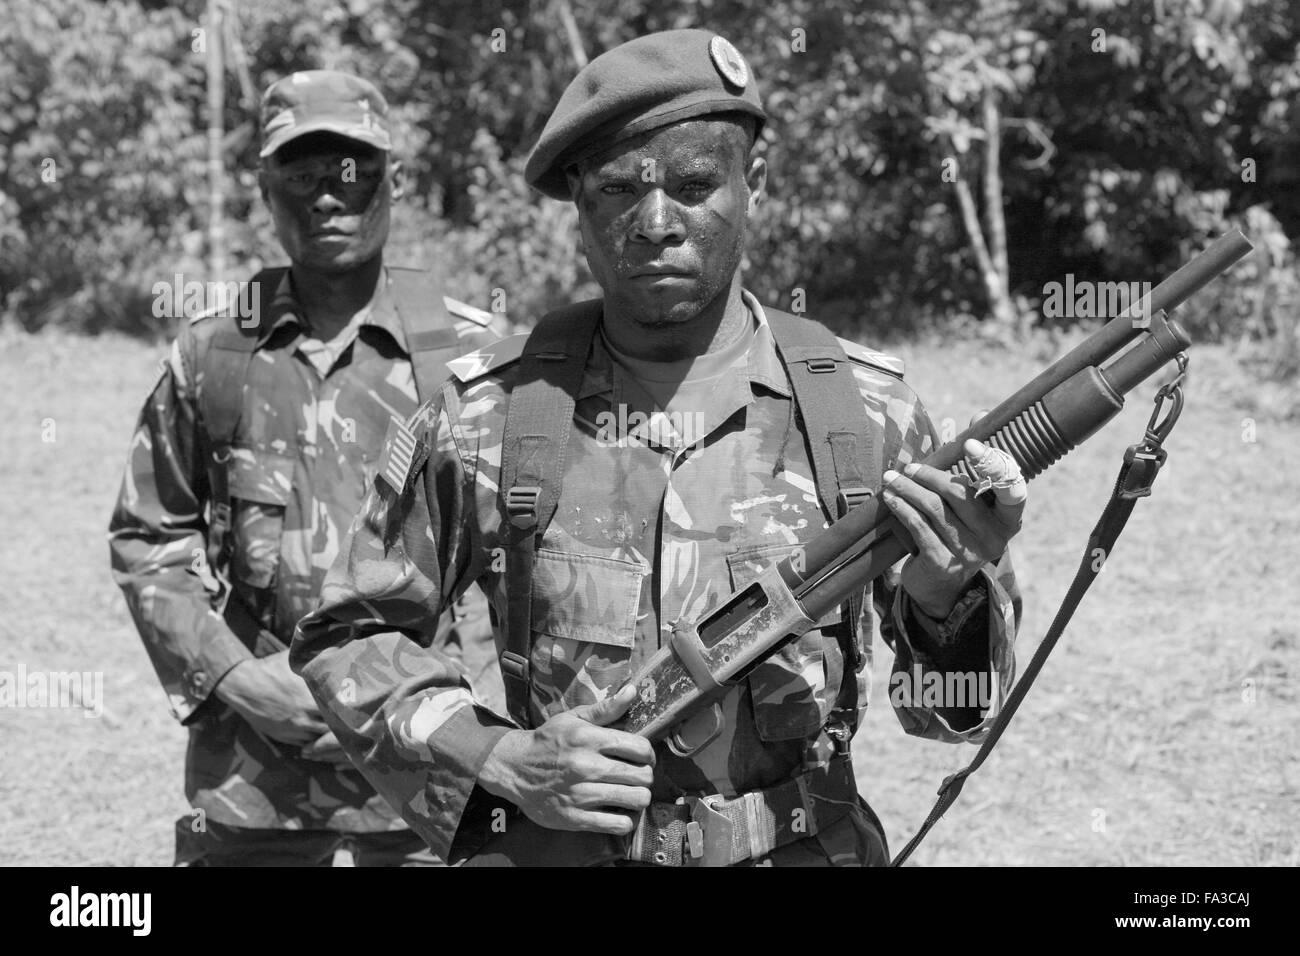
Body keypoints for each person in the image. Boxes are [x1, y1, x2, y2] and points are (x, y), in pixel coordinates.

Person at [291, 32, 1025, 867]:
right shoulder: (491, 413)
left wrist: (943, 601)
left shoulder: (861, 411)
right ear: (578, 200)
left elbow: (953, 714)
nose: (654, 224)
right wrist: (497, 757)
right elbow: (347, 640)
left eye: (694, 185)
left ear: (758, 183)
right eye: (616, 190)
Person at [108, 69, 502, 866]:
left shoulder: (471, 361)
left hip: (428, 793)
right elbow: (150, 540)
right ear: (264, 187)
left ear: (396, 180)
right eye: (302, 171)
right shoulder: (214, 356)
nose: (328, 194)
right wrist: (233, 676)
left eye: (352, 169)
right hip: (255, 799)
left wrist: (471, 722)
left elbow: (525, 571)